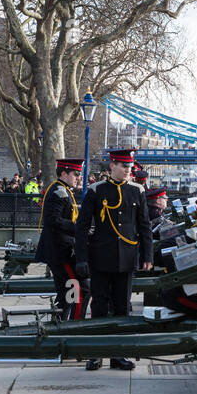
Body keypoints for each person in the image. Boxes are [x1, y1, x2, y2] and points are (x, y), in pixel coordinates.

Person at [74, 148, 152, 370]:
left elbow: (144, 225)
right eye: (124, 167)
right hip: (100, 257)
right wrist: (82, 258)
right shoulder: (96, 190)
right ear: (112, 166)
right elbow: (82, 227)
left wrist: (147, 255)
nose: (128, 171)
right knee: (99, 306)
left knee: (122, 307)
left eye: (130, 167)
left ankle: (118, 354)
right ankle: (97, 353)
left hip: (126, 257)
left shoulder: (137, 191)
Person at [34, 159, 88, 320]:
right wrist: (77, 228)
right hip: (60, 251)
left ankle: (59, 324)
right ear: (64, 173)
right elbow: (53, 220)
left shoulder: (63, 190)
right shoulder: (58, 191)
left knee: (65, 293)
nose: (79, 177)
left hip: (60, 250)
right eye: (76, 174)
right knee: (79, 289)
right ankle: (75, 326)